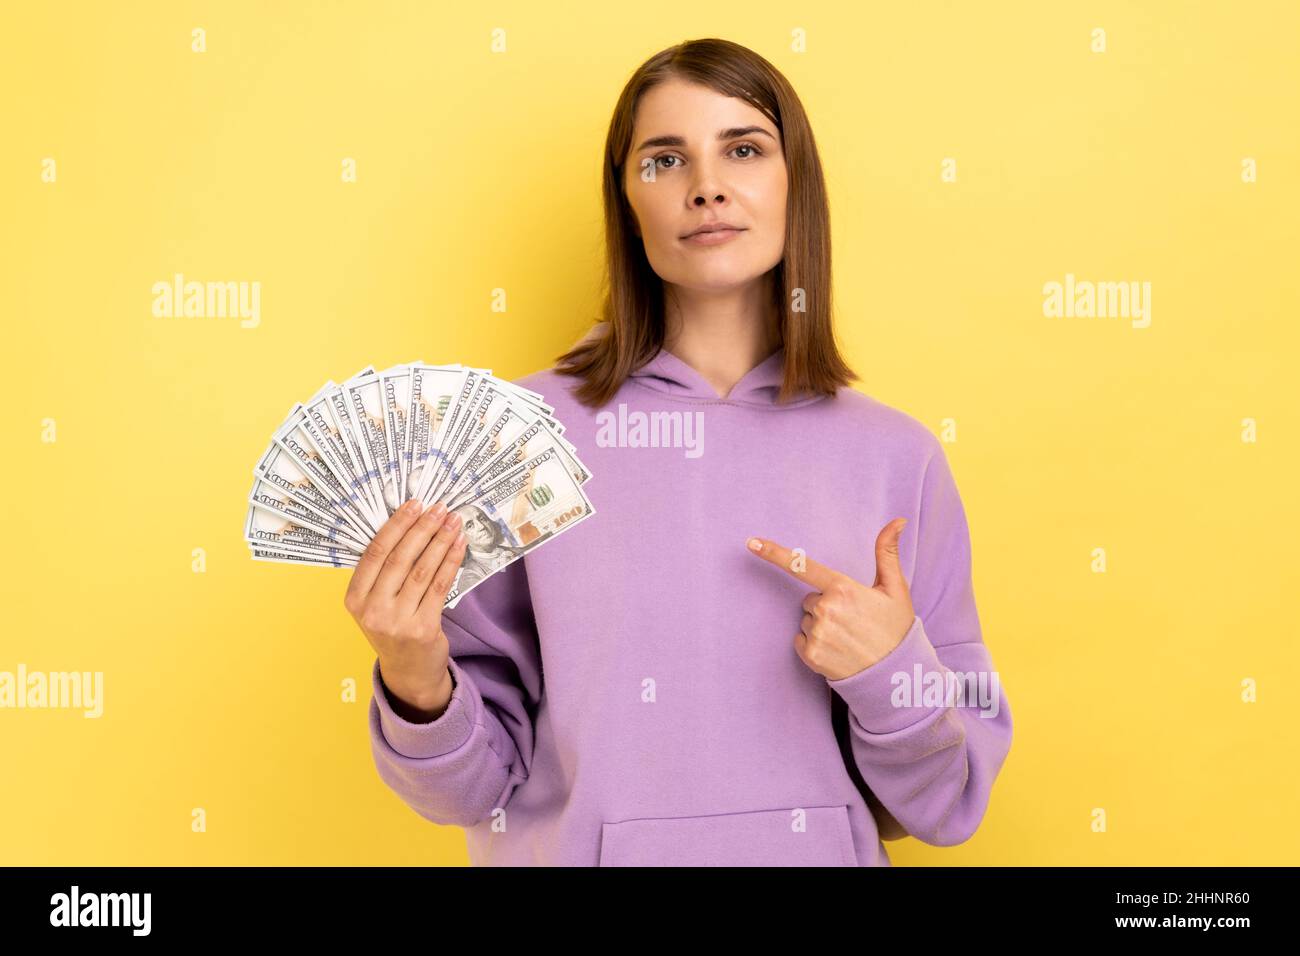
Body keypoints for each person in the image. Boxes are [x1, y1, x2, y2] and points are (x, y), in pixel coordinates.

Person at [345, 37, 1013, 866]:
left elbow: (947, 805)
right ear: (627, 201)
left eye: (743, 149)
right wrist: (414, 675)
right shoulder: (518, 440)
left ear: (793, 182)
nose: (707, 187)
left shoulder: (897, 455)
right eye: (664, 160)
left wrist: (887, 674)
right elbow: (470, 793)